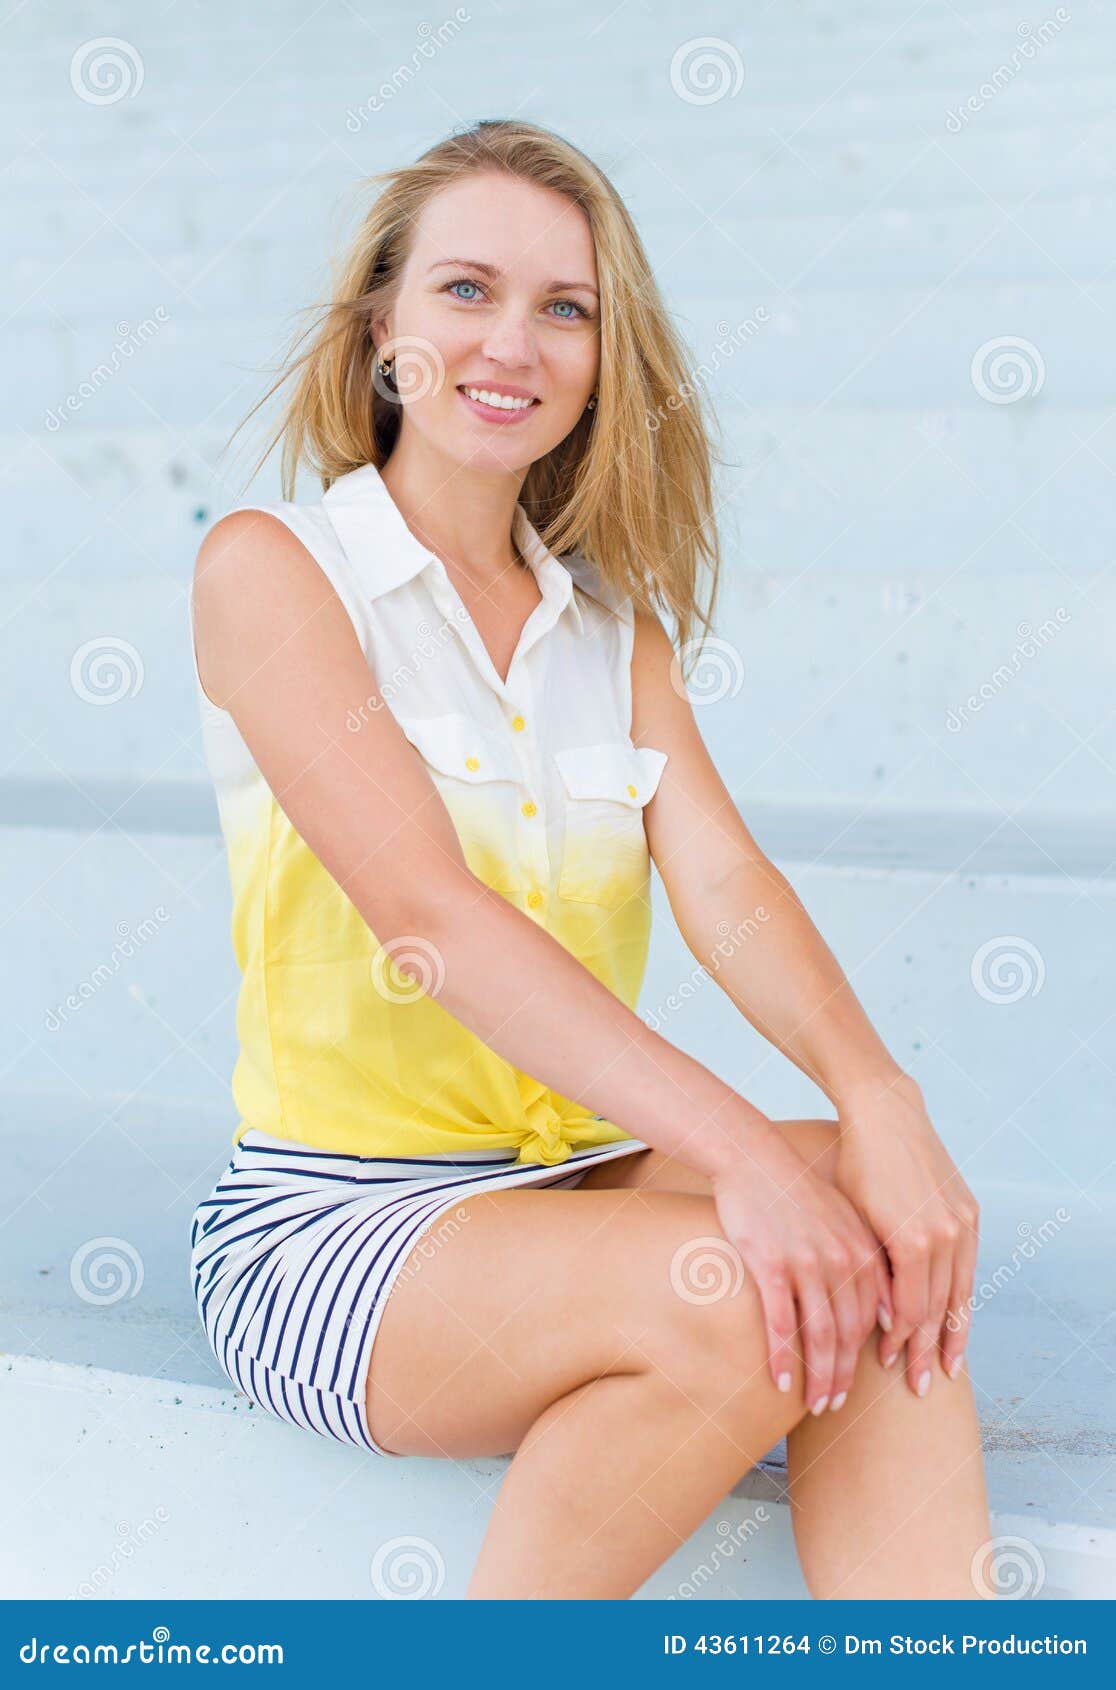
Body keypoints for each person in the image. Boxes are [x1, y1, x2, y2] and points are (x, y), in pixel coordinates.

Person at [188, 118, 990, 1600]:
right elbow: (433, 914)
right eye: (466, 291)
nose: (517, 342)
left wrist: (878, 1098)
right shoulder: (274, 571)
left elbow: (730, 891)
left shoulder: (613, 634)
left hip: (552, 1187)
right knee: (757, 1277)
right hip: (336, 1230)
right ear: (383, 329)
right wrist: (751, 1155)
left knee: (888, 1231)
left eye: (568, 308)